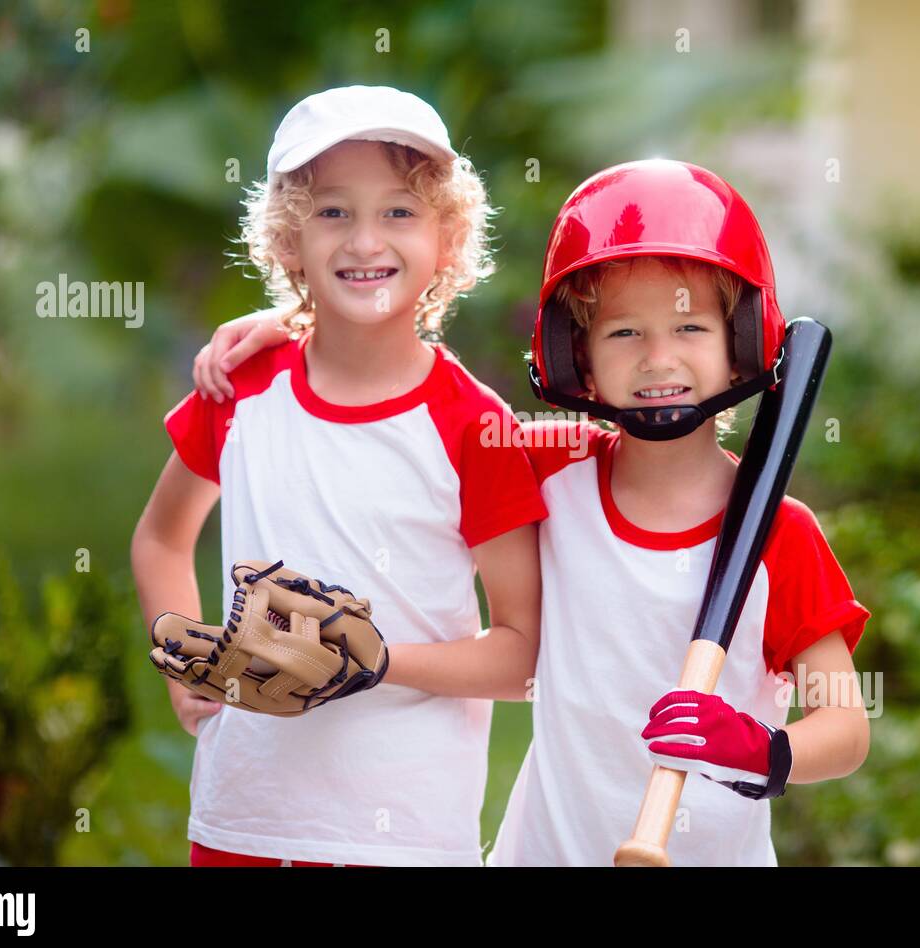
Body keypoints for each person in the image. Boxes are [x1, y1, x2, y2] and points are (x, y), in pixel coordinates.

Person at [194, 159, 871, 867]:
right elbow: (440, 413)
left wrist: (766, 750)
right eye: (624, 334)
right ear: (574, 355)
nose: (657, 358)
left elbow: (847, 728)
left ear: (738, 346)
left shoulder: (779, 534)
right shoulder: (551, 469)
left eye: (690, 328)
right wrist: (304, 318)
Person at [131, 85, 546, 868]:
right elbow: (160, 538)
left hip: (406, 835)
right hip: (242, 820)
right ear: (286, 242)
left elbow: (522, 655)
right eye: (331, 213)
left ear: (448, 240)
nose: (364, 241)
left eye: (399, 211)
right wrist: (182, 664)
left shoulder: (474, 425)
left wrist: (373, 661)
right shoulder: (241, 389)